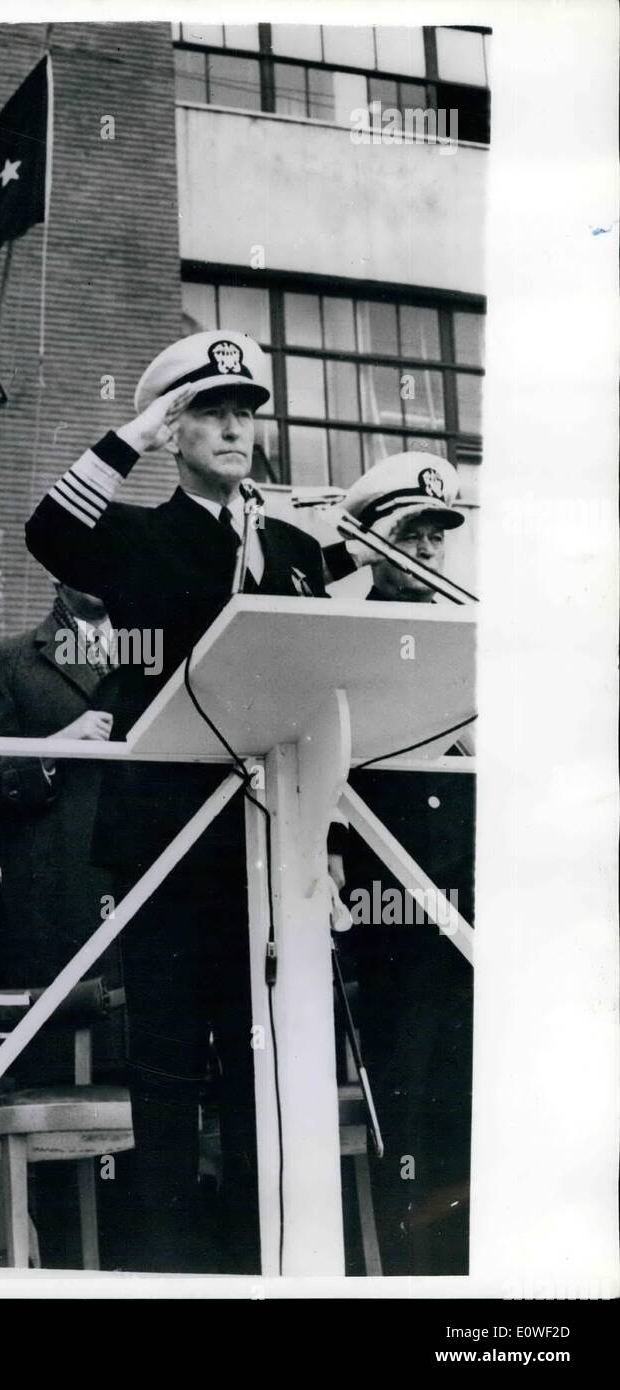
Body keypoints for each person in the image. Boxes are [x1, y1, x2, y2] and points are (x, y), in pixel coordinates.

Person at [24, 330, 331, 1273]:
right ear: (176, 428)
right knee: (166, 1067)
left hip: (267, 835)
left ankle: (257, 1262)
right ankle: (166, 1270)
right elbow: (49, 531)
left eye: (245, 415)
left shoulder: (293, 547)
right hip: (168, 835)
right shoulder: (140, 536)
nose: (234, 430)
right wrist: (129, 435)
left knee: (258, 1063)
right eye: (210, 414)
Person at [332, 452, 476, 1274]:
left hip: (475, 912)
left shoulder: (477, 640)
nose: (429, 553)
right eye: (413, 536)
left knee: (475, 1104)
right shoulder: (349, 641)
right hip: (395, 914)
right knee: (412, 1111)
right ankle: (416, 1279)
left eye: (439, 538)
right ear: (374, 543)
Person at [0, 579, 131, 1268]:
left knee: (143, 1100)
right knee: (62, 1106)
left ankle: (140, 1270)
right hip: (51, 916)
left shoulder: (158, 649)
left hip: (143, 898)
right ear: (60, 571)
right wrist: (56, 747)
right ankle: (64, 1272)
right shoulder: (5, 663)